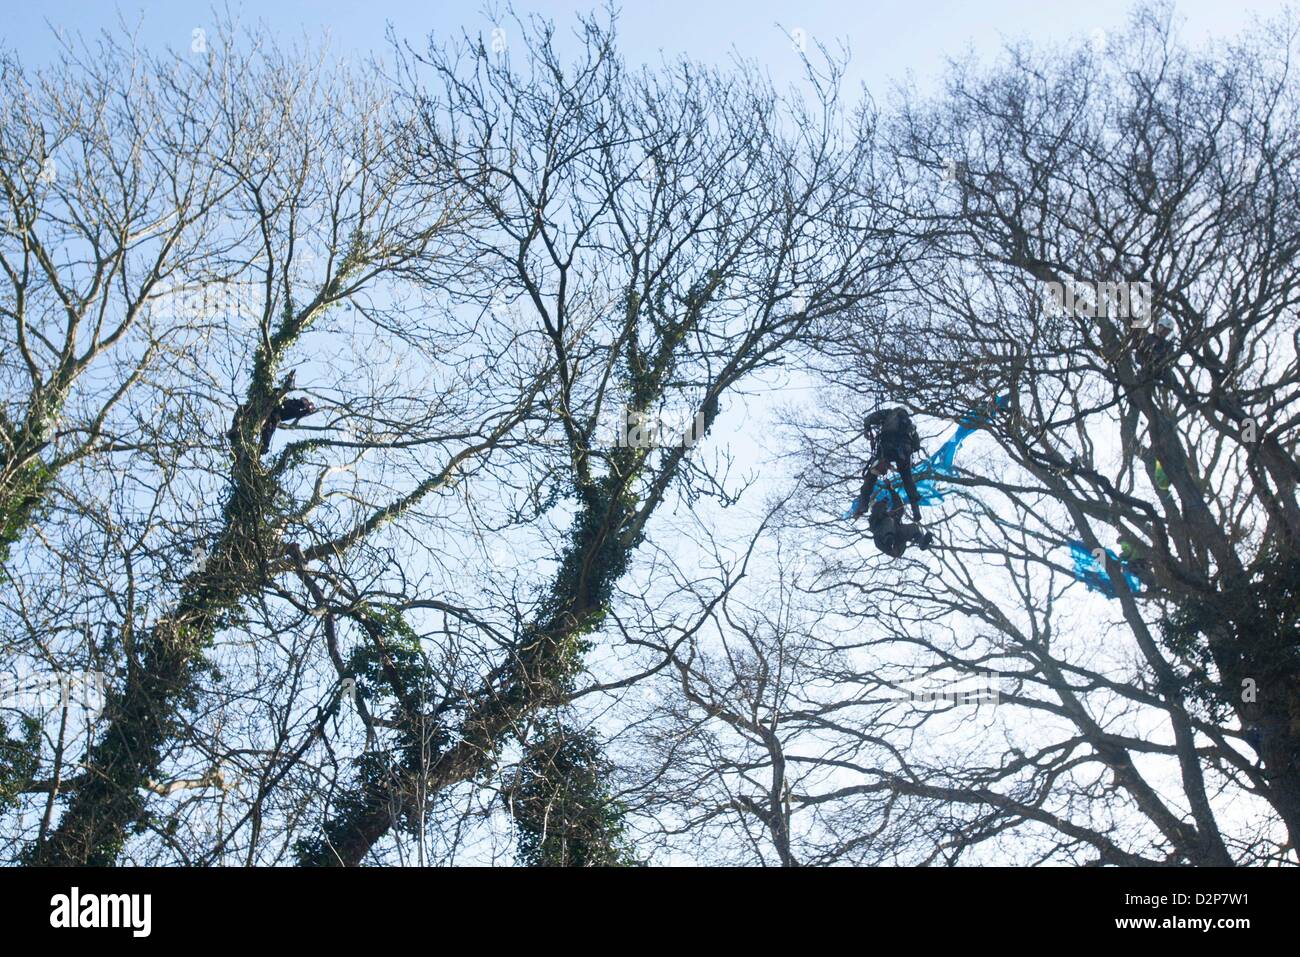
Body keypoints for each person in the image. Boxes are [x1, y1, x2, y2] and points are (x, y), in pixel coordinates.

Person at [854, 406, 923, 521]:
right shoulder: (911, 426)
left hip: (887, 448)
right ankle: (915, 509)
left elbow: (868, 419)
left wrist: (867, 428)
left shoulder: (889, 414)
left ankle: (864, 504)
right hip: (904, 452)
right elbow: (916, 446)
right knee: (908, 480)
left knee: (871, 476)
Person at [868, 489, 933, 558]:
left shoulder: (893, 517)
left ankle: (922, 542)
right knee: (889, 521)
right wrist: (884, 507)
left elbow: (899, 504)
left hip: (897, 535)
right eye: (885, 508)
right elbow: (877, 512)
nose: (886, 508)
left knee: (913, 527)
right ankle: (889, 540)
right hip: (882, 538)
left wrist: (891, 490)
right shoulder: (875, 519)